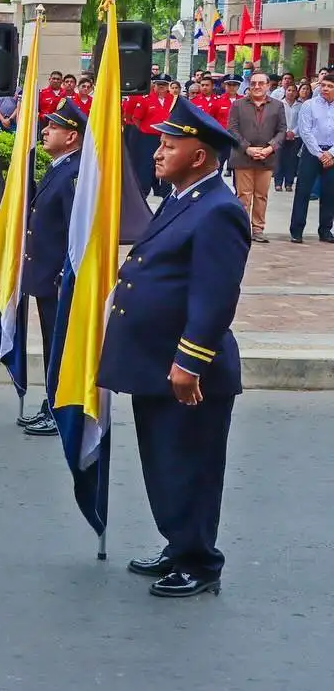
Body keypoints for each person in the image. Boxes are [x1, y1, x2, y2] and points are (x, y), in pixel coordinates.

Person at [100, 98, 249, 598]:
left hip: (185, 371)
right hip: (152, 364)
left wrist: (189, 363)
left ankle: (199, 560)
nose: (157, 153)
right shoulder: (184, 198)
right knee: (165, 461)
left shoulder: (220, 210)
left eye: (169, 144)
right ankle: (178, 543)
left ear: (200, 156)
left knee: (192, 466)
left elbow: (214, 297)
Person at [19, 100, 85, 436]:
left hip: (60, 280)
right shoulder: (60, 167)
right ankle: (51, 401)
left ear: (72, 136)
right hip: (47, 277)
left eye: (54, 127)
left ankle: (59, 408)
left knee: (59, 344)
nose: (45, 131)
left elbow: (77, 231)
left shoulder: (74, 174)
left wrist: (64, 275)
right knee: (50, 342)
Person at [226, 71, 285, 244]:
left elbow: (282, 130)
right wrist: (247, 148)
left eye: (261, 83)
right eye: (253, 83)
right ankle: (242, 229)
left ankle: (258, 229)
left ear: (268, 85)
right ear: (249, 85)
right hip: (243, 157)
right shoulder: (238, 105)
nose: (257, 87)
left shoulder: (277, 105)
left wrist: (270, 148)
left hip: (267, 157)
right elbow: (232, 129)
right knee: (244, 195)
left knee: (261, 195)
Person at [290, 74, 334, 244]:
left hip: (331, 153)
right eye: (323, 85)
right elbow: (305, 131)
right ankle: (297, 230)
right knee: (303, 191)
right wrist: (319, 153)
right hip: (311, 152)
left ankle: (325, 230)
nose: (325, 89)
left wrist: (330, 153)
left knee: (330, 193)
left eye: (330, 86)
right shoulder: (309, 105)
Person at [275, 81, 313, 191]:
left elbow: (302, 121)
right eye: (289, 90)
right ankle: (278, 182)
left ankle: (289, 183)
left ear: (297, 93)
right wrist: (286, 131)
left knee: (292, 160)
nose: (291, 93)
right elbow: (277, 120)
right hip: (281, 135)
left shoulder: (301, 106)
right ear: (285, 91)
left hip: (295, 137)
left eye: (293, 91)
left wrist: (293, 132)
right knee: (279, 159)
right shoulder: (279, 104)